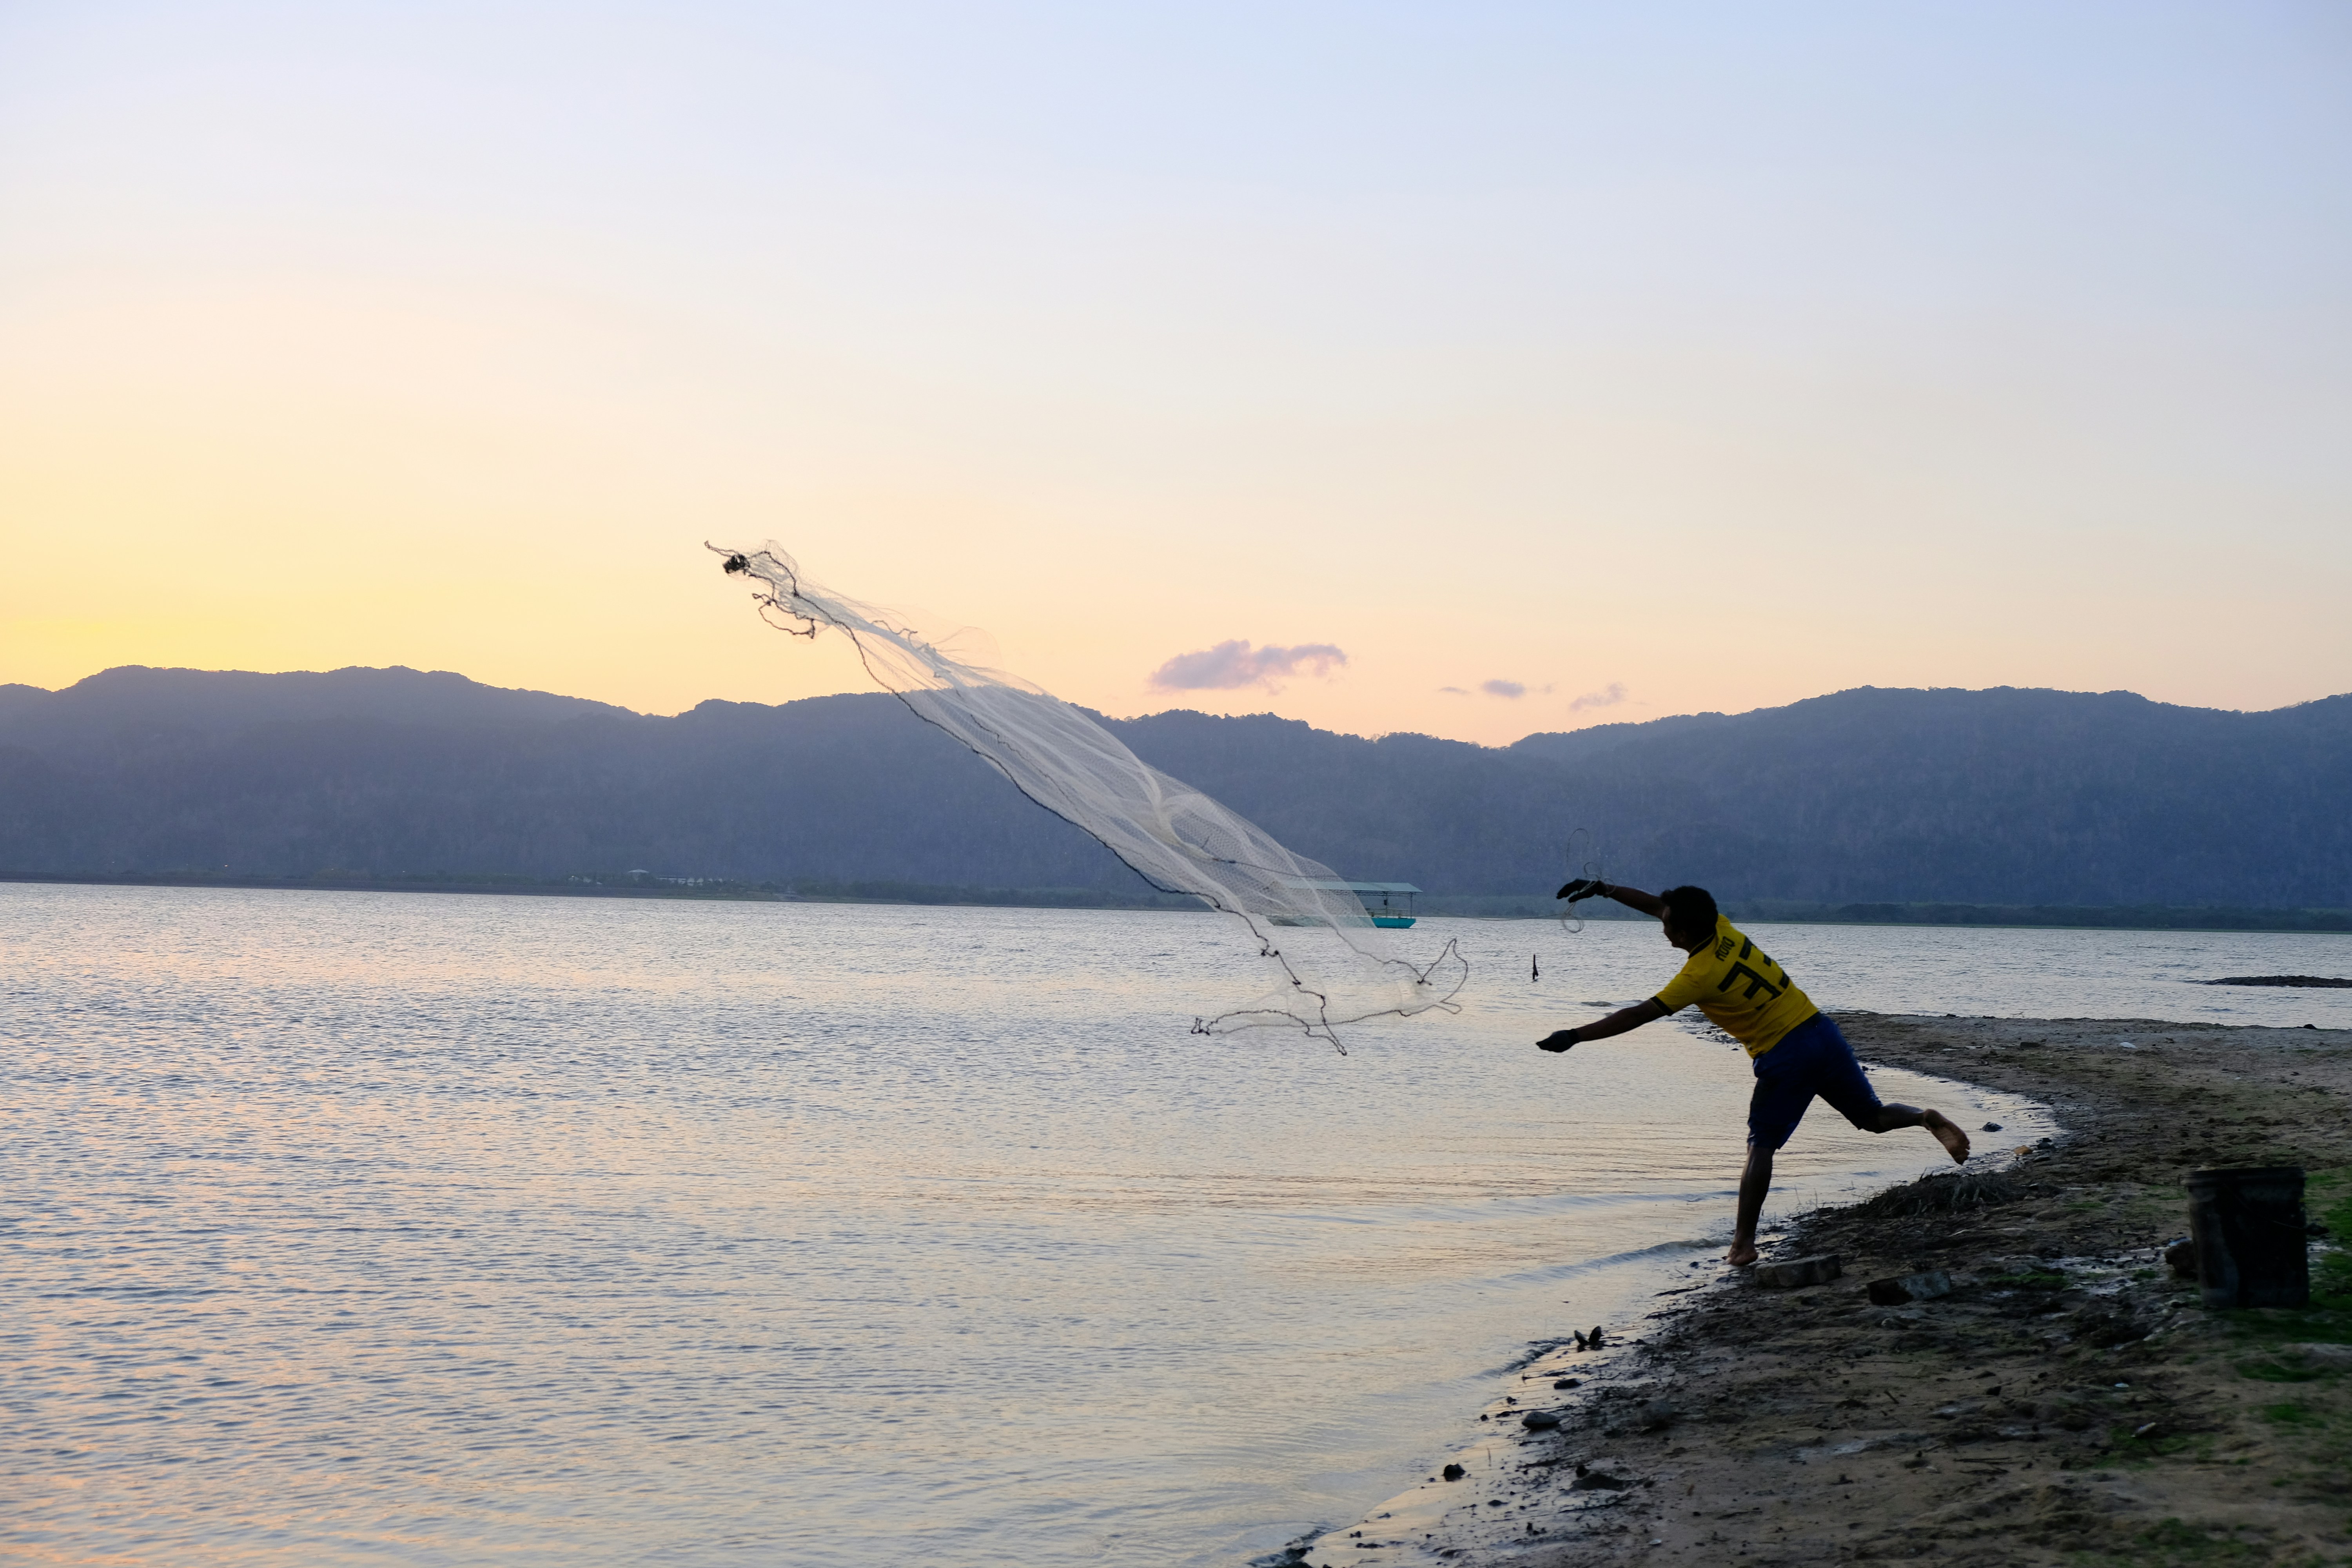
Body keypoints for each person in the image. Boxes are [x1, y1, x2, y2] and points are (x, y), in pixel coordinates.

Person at [1537, 880, 1970, 1267]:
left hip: (1786, 1055)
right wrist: (1606, 889)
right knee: (1871, 1117)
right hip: (1822, 1032)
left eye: (1667, 924)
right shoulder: (1723, 929)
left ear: (1683, 934)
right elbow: (1659, 906)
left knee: (1761, 1146)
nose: (1661, 926)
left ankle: (1743, 1244)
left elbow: (1636, 1015)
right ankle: (1922, 1117)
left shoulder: (1697, 976)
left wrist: (1576, 1035)